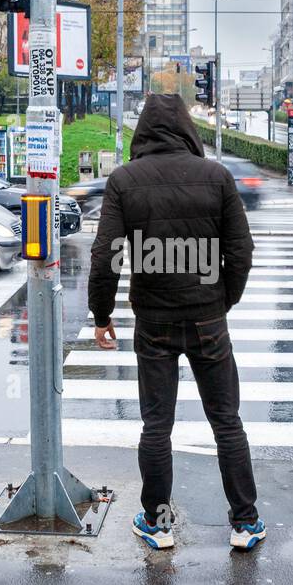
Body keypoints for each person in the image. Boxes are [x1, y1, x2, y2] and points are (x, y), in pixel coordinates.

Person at [88, 93, 264, 551]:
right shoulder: (216, 177)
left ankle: (158, 523)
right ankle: (245, 523)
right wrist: (224, 299)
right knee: (227, 421)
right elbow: (241, 251)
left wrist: (102, 314)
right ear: (188, 129)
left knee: (156, 426)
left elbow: (106, 256)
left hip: (153, 323)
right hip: (209, 319)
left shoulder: (125, 180)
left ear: (142, 132)